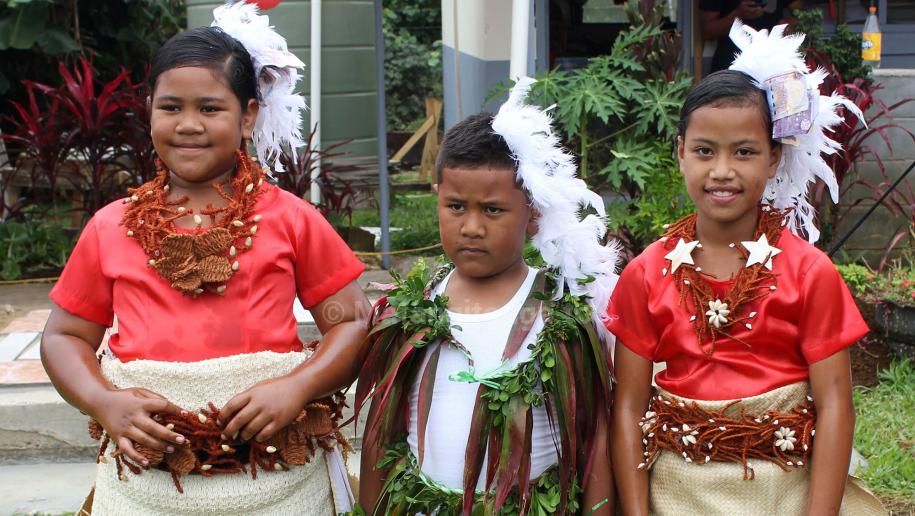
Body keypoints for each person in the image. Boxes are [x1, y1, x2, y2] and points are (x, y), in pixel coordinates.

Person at [40, 3, 368, 514]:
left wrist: (297, 386)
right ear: (149, 110)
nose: (188, 124)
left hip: (277, 484)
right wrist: (105, 402)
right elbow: (64, 336)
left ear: (248, 115)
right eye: (171, 107)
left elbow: (349, 322)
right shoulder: (111, 226)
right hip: (146, 489)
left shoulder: (292, 219)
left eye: (210, 108)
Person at [608, 22, 886, 515]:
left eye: (745, 152)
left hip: (786, 491)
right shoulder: (646, 274)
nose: (722, 170)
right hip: (680, 491)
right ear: (680, 154)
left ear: (775, 158)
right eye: (704, 151)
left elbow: (836, 406)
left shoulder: (810, 273)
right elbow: (628, 408)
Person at [355, 78, 620, 515]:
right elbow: (381, 434)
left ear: (532, 214)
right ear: (437, 198)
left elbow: (595, 436)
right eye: (456, 207)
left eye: (493, 210)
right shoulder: (408, 311)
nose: (472, 227)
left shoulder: (562, 313)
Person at [700, 0, 803, 73]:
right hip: (732, 63)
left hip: (773, 63)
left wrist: (790, 23)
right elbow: (707, 32)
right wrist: (738, 14)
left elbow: (805, 14)